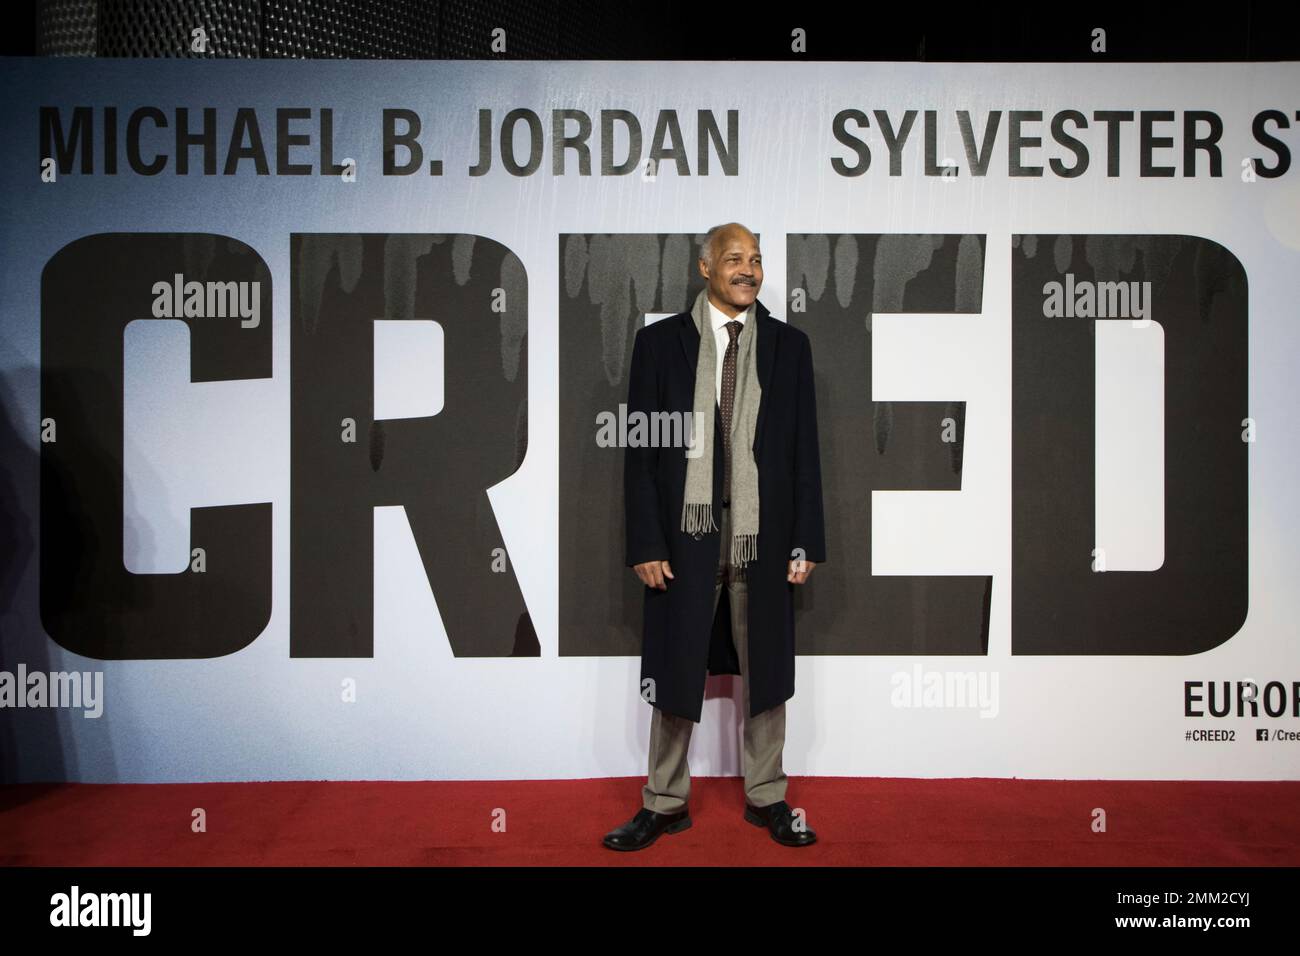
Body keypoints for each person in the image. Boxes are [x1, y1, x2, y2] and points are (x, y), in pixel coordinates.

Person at [603, 222, 827, 850]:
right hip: (684, 535)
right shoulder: (659, 345)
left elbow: (805, 451)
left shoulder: (789, 346)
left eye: (755, 259)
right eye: (734, 258)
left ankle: (768, 797)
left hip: (763, 534)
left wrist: (806, 539)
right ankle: (663, 802)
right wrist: (646, 542)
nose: (748, 269)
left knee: (767, 667)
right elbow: (641, 455)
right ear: (706, 268)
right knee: (675, 666)